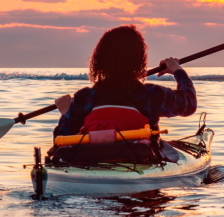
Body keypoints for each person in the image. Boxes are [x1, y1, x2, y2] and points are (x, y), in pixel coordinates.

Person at [52, 25, 196, 143]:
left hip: (93, 161)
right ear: (139, 62)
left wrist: (66, 114)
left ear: (100, 62)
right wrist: (177, 70)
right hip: (142, 162)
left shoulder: (83, 98)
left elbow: (61, 141)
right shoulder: (152, 95)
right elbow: (189, 104)